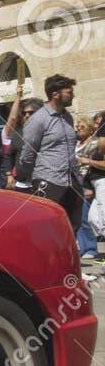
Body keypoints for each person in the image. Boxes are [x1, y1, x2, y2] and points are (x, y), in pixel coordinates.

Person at [16, 74, 85, 229]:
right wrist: (36, 177)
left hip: (71, 180)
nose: (72, 95)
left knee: (72, 226)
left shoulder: (67, 117)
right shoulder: (38, 119)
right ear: (55, 94)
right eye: (69, 92)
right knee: (49, 227)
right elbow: (27, 154)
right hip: (49, 181)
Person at [77, 110, 105, 261]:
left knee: (97, 218)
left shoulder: (97, 144)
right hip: (85, 180)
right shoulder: (79, 142)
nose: (78, 129)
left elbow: (96, 166)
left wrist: (88, 162)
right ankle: (86, 247)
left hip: (96, 182)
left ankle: (91, 248)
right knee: (88, 218)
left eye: (82, 127)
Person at [4, 99, 43, 192]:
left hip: (41, 185)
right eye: (24, 113)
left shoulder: (47, 134)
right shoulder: (18, 134)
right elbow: (8, 156)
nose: (27, 115)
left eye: (31, 113)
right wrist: (9, 175)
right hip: (21, 185)